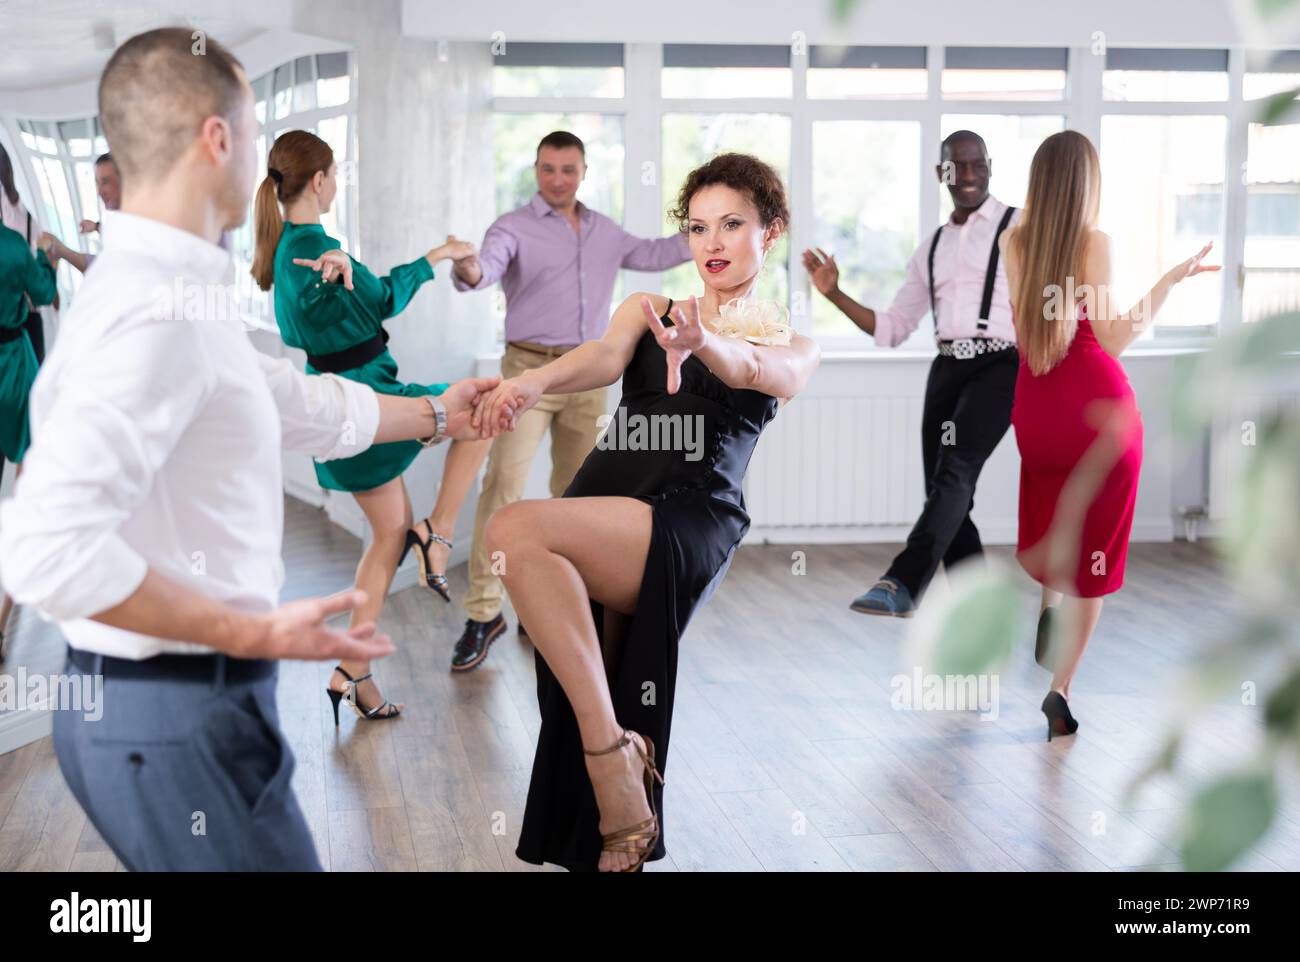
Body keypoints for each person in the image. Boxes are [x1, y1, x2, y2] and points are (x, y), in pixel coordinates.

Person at [0, 27, 502, 871]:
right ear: (218, 140)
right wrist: (243, 625)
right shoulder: (151, 310)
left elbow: (288, 402)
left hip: (184, 714)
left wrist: (437, 412)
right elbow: (43, 548)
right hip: (171, 719)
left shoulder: (177, 292)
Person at [475, 153, 820, 871]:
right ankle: (611, 804)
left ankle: (615, 763)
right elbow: (600, 359)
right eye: (697, 227)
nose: (712, 243)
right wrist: (530, 380)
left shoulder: (791, 342)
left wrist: (707, 344)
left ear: (772, 231)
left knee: (511, 529)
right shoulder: (651, 310)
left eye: (732, 224)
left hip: (686, 519)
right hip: (607, 498)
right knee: (581, 654)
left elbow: (757, 372)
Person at [251, 129, 492, 721]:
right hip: (365, 401)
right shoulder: (313, 245)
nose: (336, 184)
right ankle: (439, 534)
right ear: (319, 181)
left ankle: (354, 669)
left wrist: (420, 259)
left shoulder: (285, 246)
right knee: (487, 406)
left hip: (338, 403)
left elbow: (334, 308)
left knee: (388, 532)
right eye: (334, 175)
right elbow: (382, 297)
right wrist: (432, 257)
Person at [446, 130, 693, 671]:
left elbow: (655, 253)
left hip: (588, 373)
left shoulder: (605, 231)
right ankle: (485, 612)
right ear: (536, 170)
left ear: (583, 172)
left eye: (568, 169)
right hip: (526, 372)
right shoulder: (510, 227)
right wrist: (464, 265)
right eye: (547, 168)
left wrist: (704, 225)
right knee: (505, 486)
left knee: (579, 495)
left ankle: (553, 604)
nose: (557, 178)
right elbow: (481, 271)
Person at [999, 129, 1218, 739]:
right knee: (1096, 554)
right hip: (1098, 416)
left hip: (1036, 413)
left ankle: (1048, 607)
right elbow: (1115, 338)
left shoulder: (1013, 243)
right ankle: (1060, 690)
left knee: (1054, 515)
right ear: (1088, 184)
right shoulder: (1095, 243)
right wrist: (1170, 282)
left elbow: (1033, 335)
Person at [804, 130, 1020, 617]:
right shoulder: (931, 248)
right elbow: (892, 328)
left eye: (976, 164)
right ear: (940, 173)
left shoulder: (1021, 228)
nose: (967, 176)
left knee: (955, 472)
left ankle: (901, 582)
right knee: (946, 491)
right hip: (948, 368)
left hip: (1002, 364)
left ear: (990, 165)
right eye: (956, 167)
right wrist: (835, 294)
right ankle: (978, 609)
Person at [0, 224, 59, 660]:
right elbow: (41, 293)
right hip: (14, 368)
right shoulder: (14, 246)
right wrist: (45, 257)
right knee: (29, 485)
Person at [0, 143, 53, 361]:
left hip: (21, 329)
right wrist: (44, 258)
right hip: (22, 329)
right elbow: (42, 291)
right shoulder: (27, 219)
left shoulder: (23, 219)